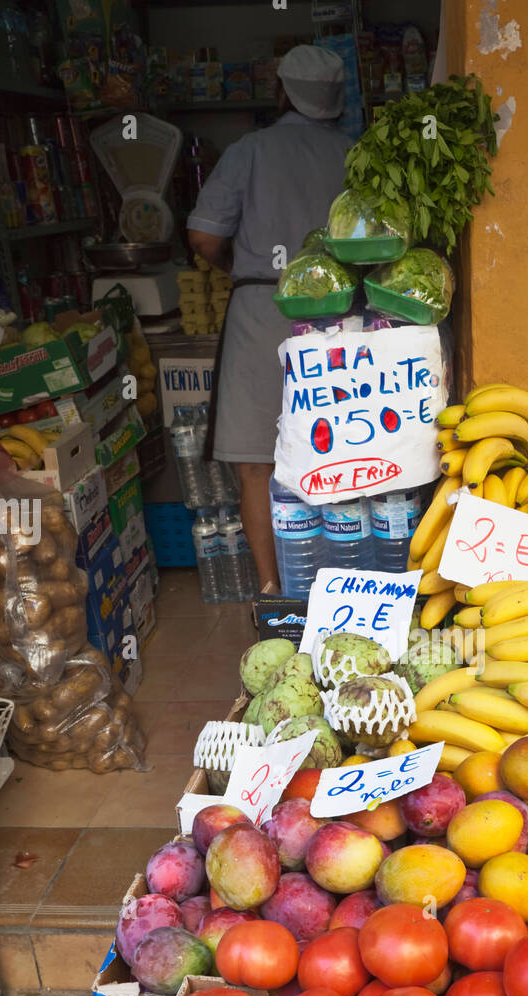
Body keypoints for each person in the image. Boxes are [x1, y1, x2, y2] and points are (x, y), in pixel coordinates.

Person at [187, 46, 352, 589]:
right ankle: (343, 581)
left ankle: (271, 591)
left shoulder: (249, 150)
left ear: (280, 91)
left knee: (258, 465)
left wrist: (237, 262)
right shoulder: (357, 155)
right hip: (343, 320)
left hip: (264, 310)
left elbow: (205, 235)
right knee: (345, 454)